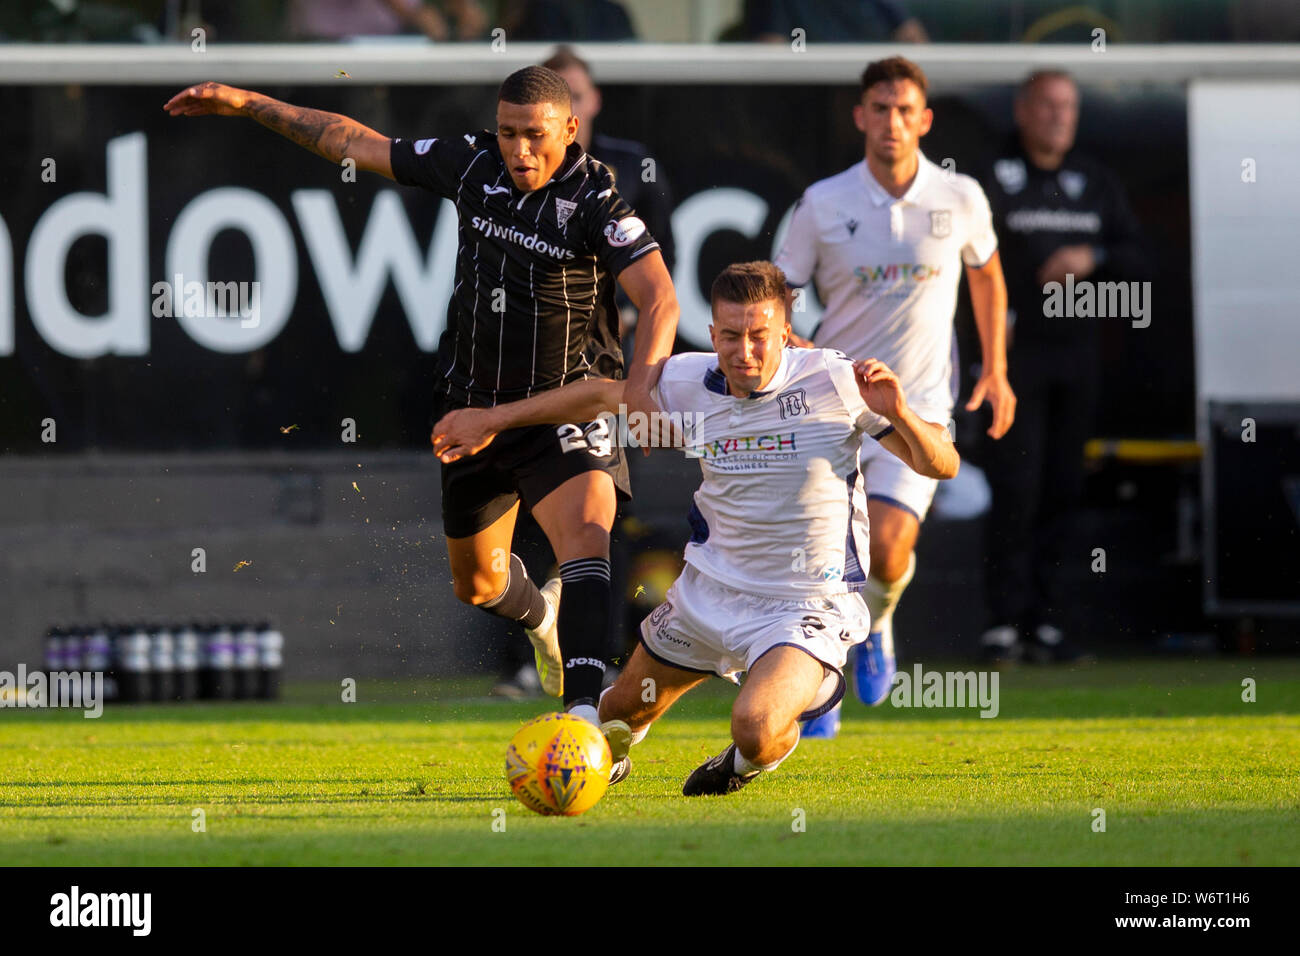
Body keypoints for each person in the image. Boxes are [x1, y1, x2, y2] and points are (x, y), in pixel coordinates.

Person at [163, 67, 681, 758]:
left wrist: (643, 380)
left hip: (565, 403)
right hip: (471, 409)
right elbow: (355, 142)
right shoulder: (473, 164)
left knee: (587, 539)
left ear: (569, 130)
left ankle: (584, 721)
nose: (520, 151)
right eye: (508, 133)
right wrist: (249, 103)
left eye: (535, 136)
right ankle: (542, 617)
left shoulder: (598, 202)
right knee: (480, 584)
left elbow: (661, 299)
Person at [432, 261, 959, 794]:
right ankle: (597, 773)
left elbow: (942, 463)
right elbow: (594, 395)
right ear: (713, 334)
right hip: (707, 597)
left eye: (759, 336)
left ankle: (749, 758)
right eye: (730, 336)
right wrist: (491, 420)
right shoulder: (688, 381)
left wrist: (903, 413)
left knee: (755, 726)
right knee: (614, 721)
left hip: (804, 606)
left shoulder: (834, 381)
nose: (744, 352)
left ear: (786, 334)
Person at [775, 55, 1014, 737]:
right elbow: (779, 295)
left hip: (918, 407)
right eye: (879, 109)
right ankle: (818, 686)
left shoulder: (959, 197)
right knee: (820, 559)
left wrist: (995, 368)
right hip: (831, 403)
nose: (892, 122)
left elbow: (988, 275)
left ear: (925, 119)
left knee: (884, 552)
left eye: (905, 110)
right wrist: (785, 344)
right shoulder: (823, 203)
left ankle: (875, 626)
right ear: (860, 116)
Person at [976, 70, 1144, 663]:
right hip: (1013, 358)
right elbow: (967, 256)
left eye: (1068, 106)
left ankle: (1046, 623)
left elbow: (1138, 255)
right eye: (1046, 105)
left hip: (1078, 355)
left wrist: (1089, 254)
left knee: (1063, 487)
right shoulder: (995, 178)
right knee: (1015, 485)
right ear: (1022, 111)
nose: (1057, 117)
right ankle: (1002, 623)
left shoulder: (1094, 182)